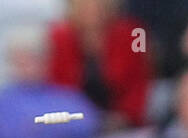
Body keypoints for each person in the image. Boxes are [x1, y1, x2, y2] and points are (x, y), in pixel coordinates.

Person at [0, 27, 100, 138]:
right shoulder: (1, 102)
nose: (25, 66)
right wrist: (58, 124)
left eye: (32, 58)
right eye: (19, 60)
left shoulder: (67, 96)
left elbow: (87, 124)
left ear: (45, 61)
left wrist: (35, 126)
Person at [48, 0, 153, 129]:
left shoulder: (135, 33)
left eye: (97, 5)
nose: (92, 10)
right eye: (85, 5)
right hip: (72, 122)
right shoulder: (58, 36)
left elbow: (140, 80)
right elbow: (55, 87)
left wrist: (124, 117)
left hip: (123, 122)